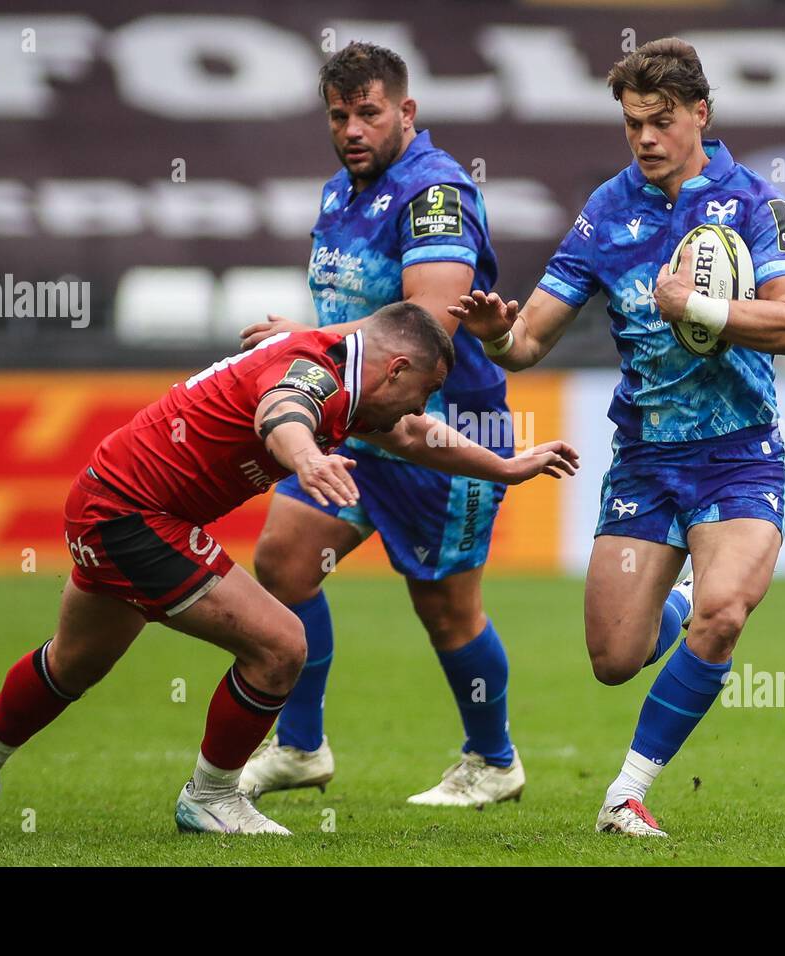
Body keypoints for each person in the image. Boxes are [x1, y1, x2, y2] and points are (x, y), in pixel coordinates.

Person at [0, 303, 577, 835]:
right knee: (280, 645)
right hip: (135, 515)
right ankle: (212, 796)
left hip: (106, 494)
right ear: (397, 366)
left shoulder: (341, 371)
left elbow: (407, 436)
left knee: (75, 661)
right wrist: (306, 459)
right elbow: (283, 412)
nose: (421, 404)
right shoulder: (315, 370)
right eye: (425, 390)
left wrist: (507, 465)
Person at [448, 38, 785, 837]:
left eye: (661, 120)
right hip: (645, 461)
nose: (646, 138)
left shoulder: (751, 201)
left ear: (699, 114)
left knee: (728, 612)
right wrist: (491, 335)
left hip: (736, 455)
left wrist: (703, 310)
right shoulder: (609, 209)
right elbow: (530, 343)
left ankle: (627, 792)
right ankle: (678, 607)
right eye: (631, 124)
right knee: (615, 658)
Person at [235, 42, 527, 808]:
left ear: (406, 112)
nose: (353, 128)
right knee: (285, 562)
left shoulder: (435, 195)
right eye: (340, 115)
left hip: (442, 429)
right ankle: (300, 747)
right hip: (356, 423)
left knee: (446, 611)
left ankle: (493, 761)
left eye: (369, 113)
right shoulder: (340, 192)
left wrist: (307, 340)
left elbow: (429, 318)